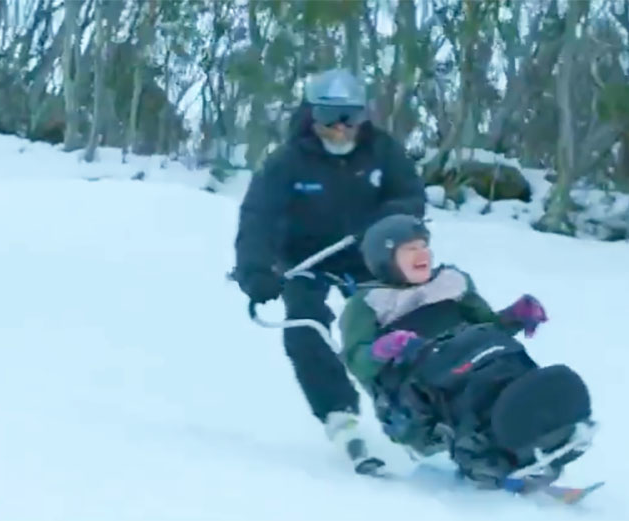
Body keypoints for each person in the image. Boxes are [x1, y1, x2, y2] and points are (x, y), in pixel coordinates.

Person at [232, 68, 426, 471]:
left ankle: (422, 412)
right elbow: (258, 217)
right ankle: (339, 415)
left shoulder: (382, 150)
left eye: (349, 118)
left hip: (367, 256)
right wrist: (255, 269)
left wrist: (383, 220)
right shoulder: (288, 160)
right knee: (305, 324)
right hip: (306, 260)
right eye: (327, 117)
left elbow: (410, 196)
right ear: (310, 115)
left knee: (399, 326)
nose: (339, 129)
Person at [339, 214, 595, 487]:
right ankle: (482, 454)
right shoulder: (367, 304)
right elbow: (357, 363)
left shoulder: (451, 282)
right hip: (417, 392)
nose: (422, 253)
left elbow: (487, 326)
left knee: (501, 356)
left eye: (424, 245)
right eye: (410, 249)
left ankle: (552, 426)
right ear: (385, 259)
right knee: (471, 381)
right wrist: (383, 348)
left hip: (468, 356)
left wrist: (515, 315)